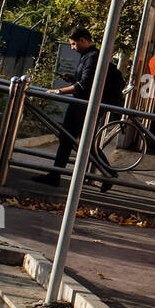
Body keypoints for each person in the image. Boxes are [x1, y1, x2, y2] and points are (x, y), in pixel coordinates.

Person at [35, 28, 123, 188]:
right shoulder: (87, 56)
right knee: (67, 139)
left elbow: (83, 85)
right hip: (80, 105)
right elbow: (84, 80)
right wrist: (72, 78)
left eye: (74, 44)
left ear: (83, 40)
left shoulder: (93, 57)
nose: (72, 48)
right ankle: (55, 175)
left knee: (83, 143)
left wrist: (59, 91)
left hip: (84, 107)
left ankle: (108, 173)